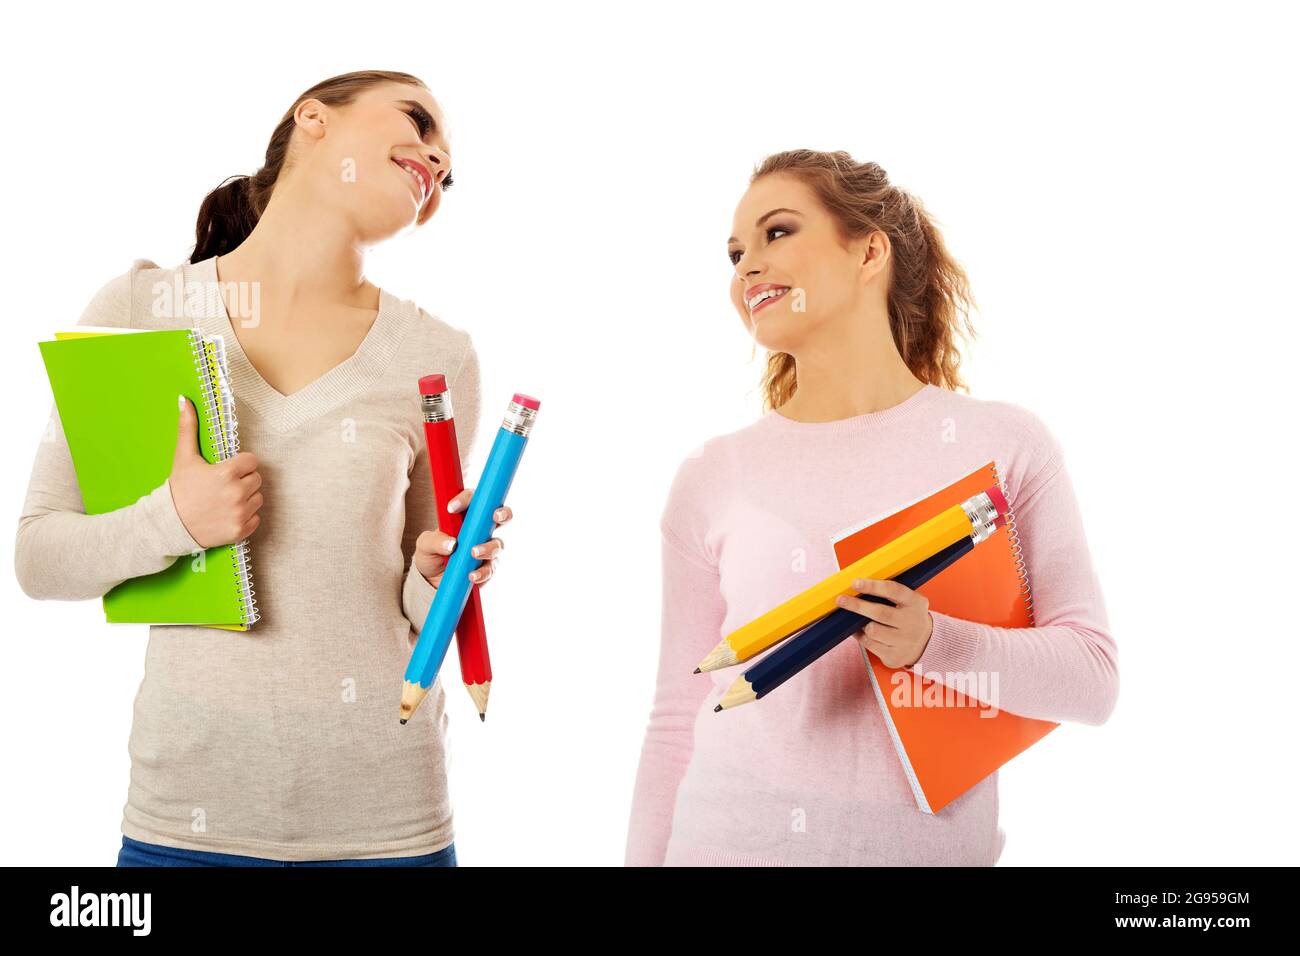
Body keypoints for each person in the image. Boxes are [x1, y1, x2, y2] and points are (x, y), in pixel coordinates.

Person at [15, 70, 512, 866]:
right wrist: (172, 523)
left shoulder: (437, 355)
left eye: (446, 167)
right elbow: (39, 558)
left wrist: (441, 573)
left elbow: (420, 610)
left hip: (388, 825)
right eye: (417, 123)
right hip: (184, 822)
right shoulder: (139, 310)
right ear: (311, 118)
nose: (435, 161)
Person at [624, 149, 1119, 866]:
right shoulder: (713, 474)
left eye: (778, 232)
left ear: (869, 251)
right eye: (734, 253)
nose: (746, 268)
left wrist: (934, 644)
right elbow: (677, 715)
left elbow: (1092, 680)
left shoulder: (1005, 446)